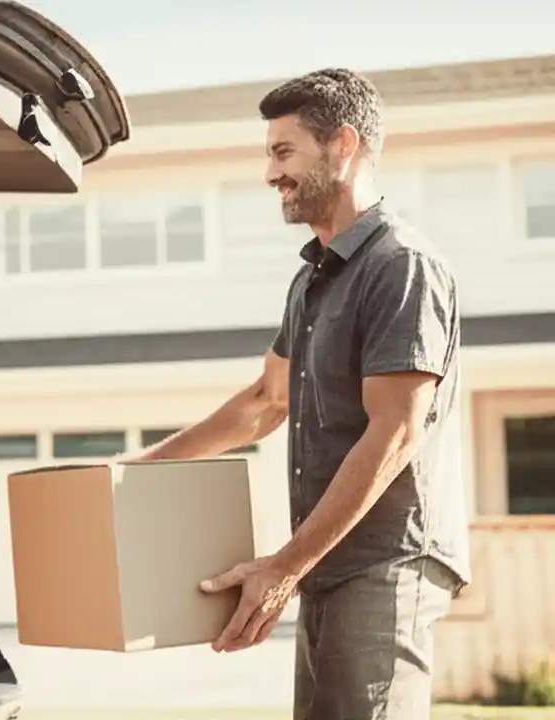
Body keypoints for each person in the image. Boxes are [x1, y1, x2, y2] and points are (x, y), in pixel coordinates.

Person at [129, 68, 470, 719]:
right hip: (329, 565)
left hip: (385, 563)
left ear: (342, 146)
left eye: (283, 152)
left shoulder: (400, 267)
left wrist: (285, 564)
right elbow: (266, 399)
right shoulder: (314, 280)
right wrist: (140, 471)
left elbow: (396, 431)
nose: (269, 174)